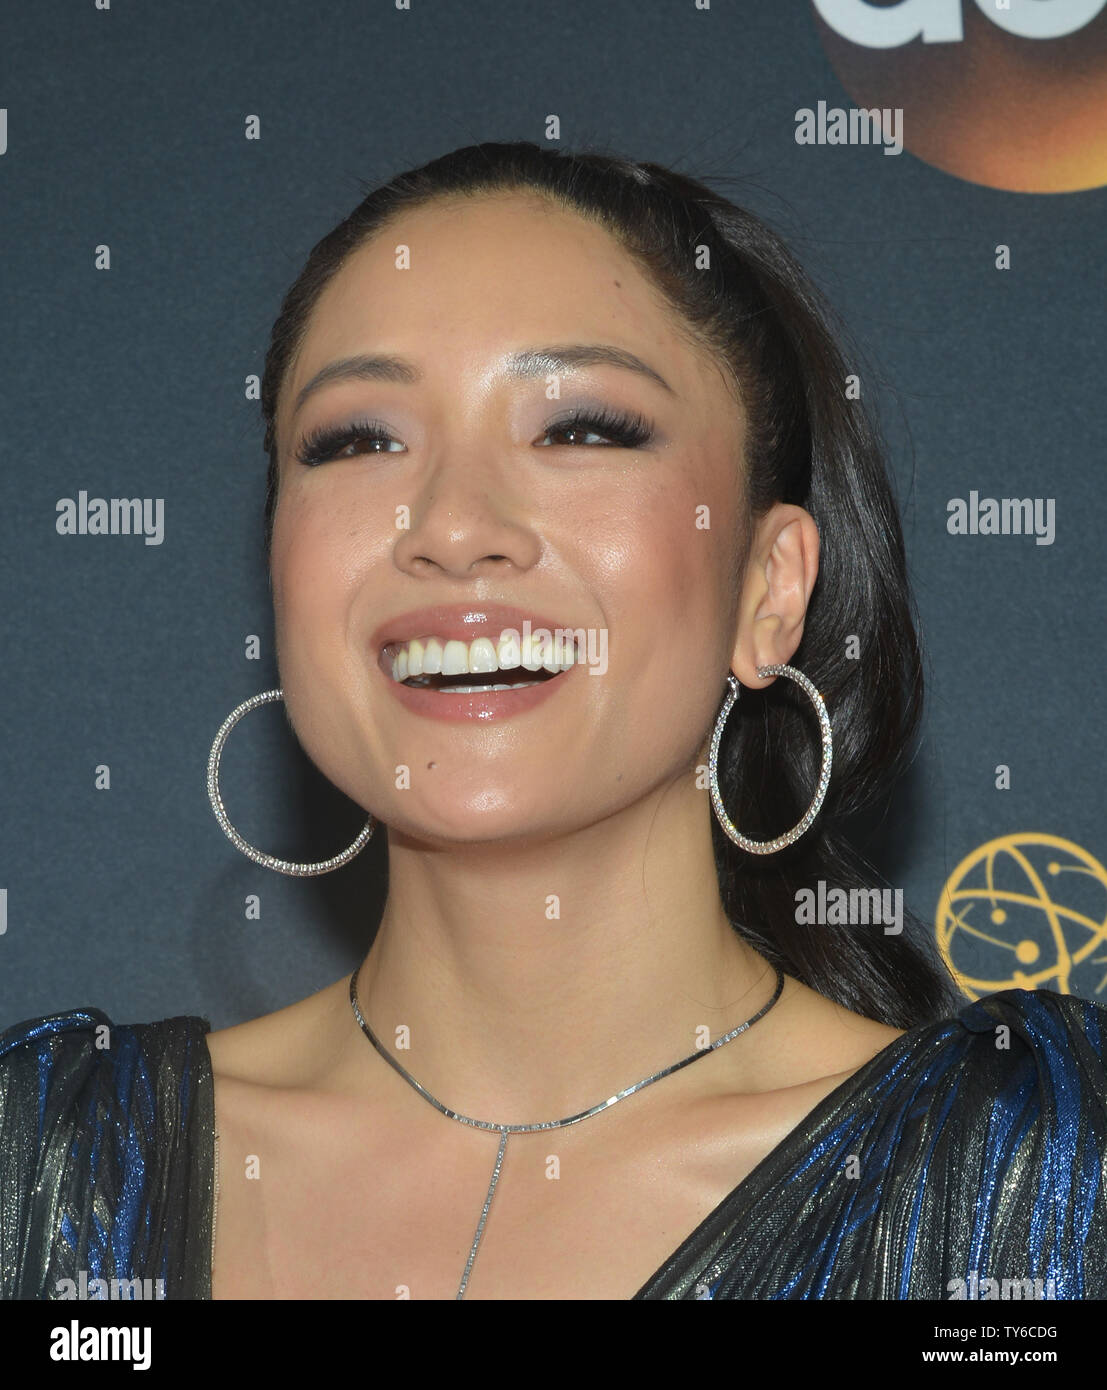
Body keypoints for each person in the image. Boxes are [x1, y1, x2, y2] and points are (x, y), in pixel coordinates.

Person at [3, 141, 1105, 1302]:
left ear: (768, 591)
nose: (452, 522)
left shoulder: (1022, 1192)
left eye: (580, 427)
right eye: (358, 440)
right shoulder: (48, 1170)